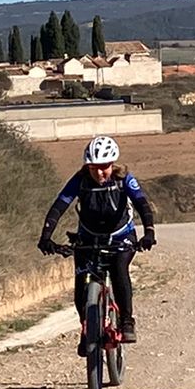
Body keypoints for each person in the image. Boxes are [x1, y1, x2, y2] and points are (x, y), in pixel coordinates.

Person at [38, 135, 156, 347]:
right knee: (81, 286)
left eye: (104, 167)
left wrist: (149, 232)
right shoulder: (80, 180)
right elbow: (59, 206)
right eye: (94, 168)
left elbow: (142, 203)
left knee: (119, 270)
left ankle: (127, 322)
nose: (99, 173)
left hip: (121, 236)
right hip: (88, 237)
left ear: (112, 164)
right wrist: (46, 236)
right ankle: (87, 328)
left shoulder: (123, 178)